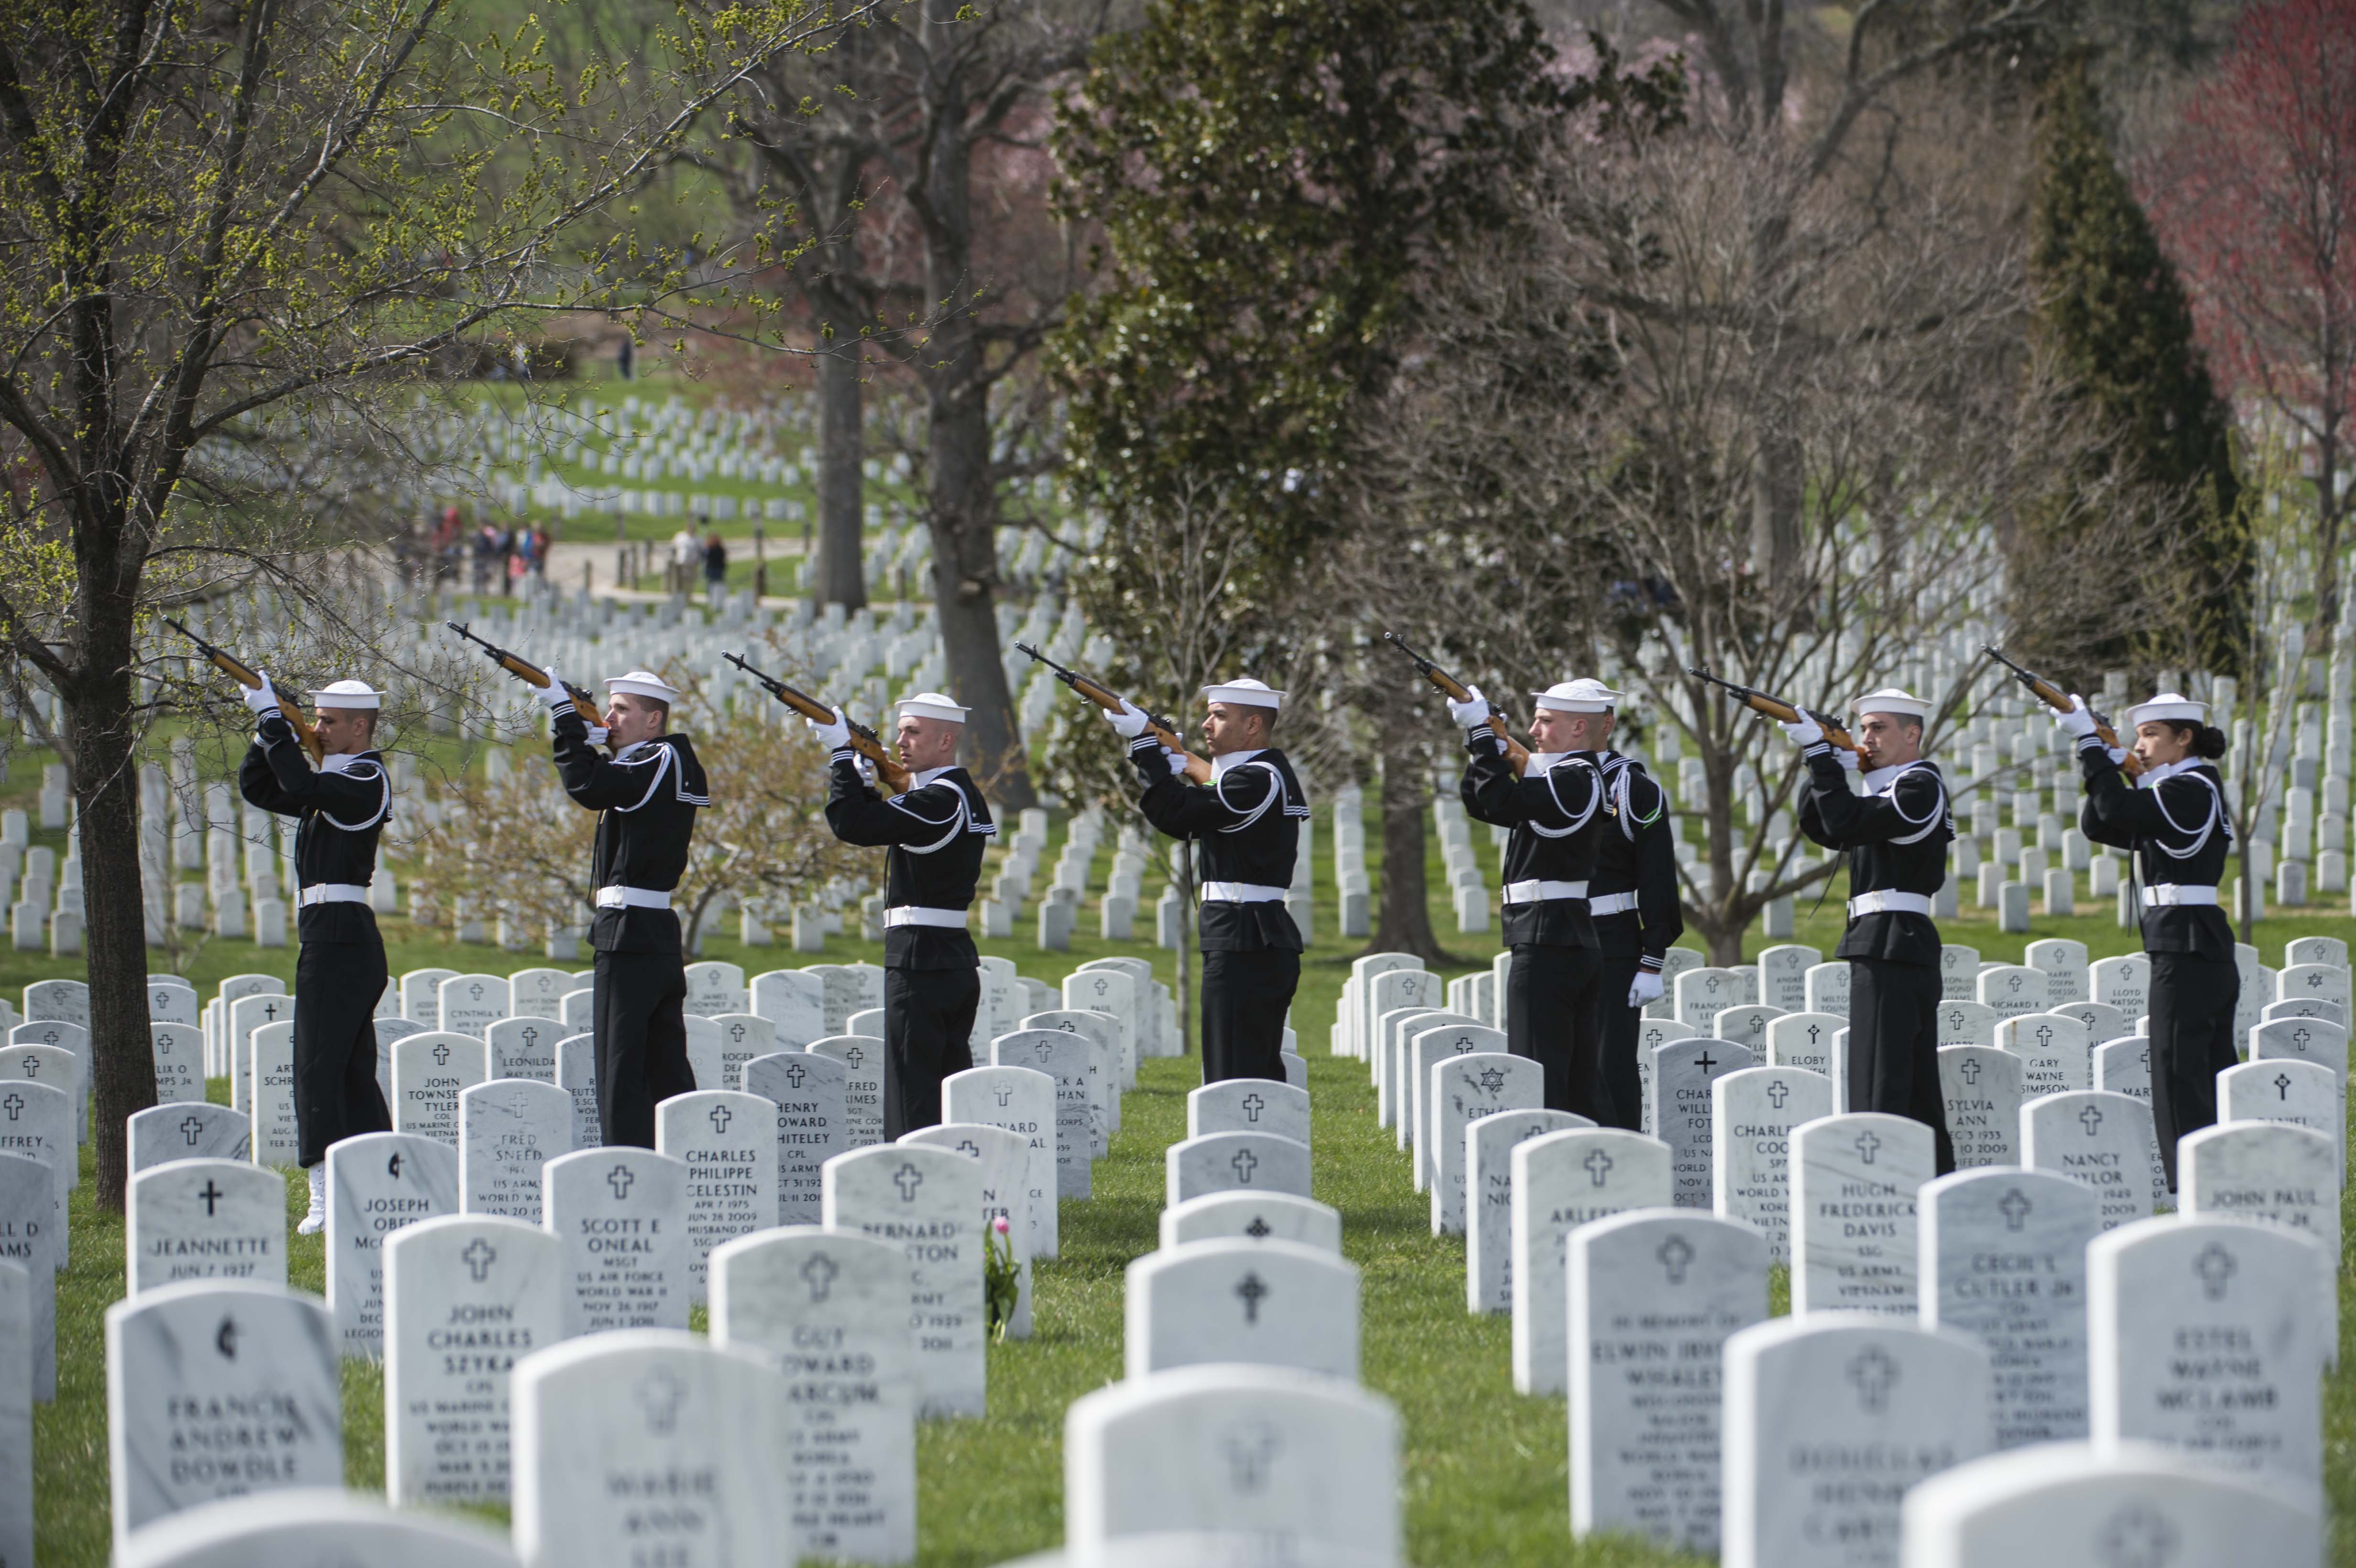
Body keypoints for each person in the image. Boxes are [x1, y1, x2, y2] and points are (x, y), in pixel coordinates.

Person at [2057, 690, 2236, 1191]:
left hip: (2186, 944)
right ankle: (2218, 1182)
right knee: (2200, 1069)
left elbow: (2113, 804)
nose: (2141, 743)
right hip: (2191, 941)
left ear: (2184, 738)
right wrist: (2117, 762)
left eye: (2151, 734)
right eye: (2137, 734)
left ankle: (2192, 1190)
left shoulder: (2189, 789)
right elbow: (2099, 820)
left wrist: (2090, 744)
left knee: (2177, 1072)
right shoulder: (2176, 791)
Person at [236, 676, 393, 1234]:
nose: (319, 730)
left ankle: (323, 1197)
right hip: (332, 934)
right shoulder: (335, 779)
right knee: (349, 1069)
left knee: (316, 1068)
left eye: (329, 722)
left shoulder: (366, 778)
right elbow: (260, 786)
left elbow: (300, 780)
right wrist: (265, 732)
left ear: (360, 727)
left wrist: (278, 724)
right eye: (316, 719)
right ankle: (381, 1181)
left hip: (340, 937)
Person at [811, 692, 995, 1136]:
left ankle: (913, 1190)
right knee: (945, 1090)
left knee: (912, 1093)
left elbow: (852, 824)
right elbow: (885, 815)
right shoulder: (954, 796)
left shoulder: (939, 801)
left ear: (947, 740)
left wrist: (841, 758)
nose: (900, 741)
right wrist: (861, 773)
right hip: (946, 958)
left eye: (913, 732)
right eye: (899, 732)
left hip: (920, 962)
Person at [1789, 687, 1956, 1174]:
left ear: (1912, 733)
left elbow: (1843, 818)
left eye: (1878, 728)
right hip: (1886, 940)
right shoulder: (1889, 788)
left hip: (1891, 942)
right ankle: (1935, 1192)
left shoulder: (1918, 785)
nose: (1868, 738)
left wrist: (1824, 757)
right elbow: (1821, 824)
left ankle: (1881, 1191)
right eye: (1863, 729)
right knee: (1913, 1089)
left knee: (1879, 1081)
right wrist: (1824, 758)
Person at [541, 667, 709, 1148]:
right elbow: (606, 782)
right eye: (609, 707)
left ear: (653, 720)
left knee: (621, 1069)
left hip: (630, 931)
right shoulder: (662, 759)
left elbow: (587, 788)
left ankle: (628, 1180)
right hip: (647, 929)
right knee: (663, 1066)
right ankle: (685, 1164)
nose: (611, 717)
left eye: (621, 710)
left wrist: (565, 721)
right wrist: (595, 743)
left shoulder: (658, 758)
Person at [1109, 679, 1308, 1084]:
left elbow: (1177, 813)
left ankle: (1245, 1147)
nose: (1206, 724)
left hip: (1245, 935)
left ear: (1253, 725)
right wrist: (1179, 758)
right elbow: (1213, 790)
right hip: (1245, 932)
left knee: (1234, 1072)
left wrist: (1147, 749)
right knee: (1243, 1065)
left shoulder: (1257, 780)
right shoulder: (1255, 775)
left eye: (1219, 716)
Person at [1449, 678, 1617, 1122]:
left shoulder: (1574, 778)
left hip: (1549, 943)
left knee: (1537, 1076)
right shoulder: (1566, 778)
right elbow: (1482, 803)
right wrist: (1483, 740)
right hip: (1560, 936)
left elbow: (1501, 802)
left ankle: (1551, 1172)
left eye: (1545, 721)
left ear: (1579, 727)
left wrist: (1486, 742)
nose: (1535, 730)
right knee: (1576, 1083)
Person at [1587, 695, 1682, 1130]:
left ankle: (1621, 1163)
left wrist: (1652, 957)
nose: (1538, 731)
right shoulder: (1539, 780)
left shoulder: (1632, 788)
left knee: (1611, 1066)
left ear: (1604, 725)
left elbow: (1657, 873)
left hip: (1611, 942)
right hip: (1554, 936)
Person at [702, 531, 728, 607]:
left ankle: (719, 601)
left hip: (719, 570)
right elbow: (704, 557)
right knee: (710, 586)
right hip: (711, 570)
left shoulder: (720, 549)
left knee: (719, 585)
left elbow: (723, 558)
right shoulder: (708, 548)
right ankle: (711, 601)